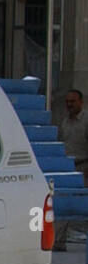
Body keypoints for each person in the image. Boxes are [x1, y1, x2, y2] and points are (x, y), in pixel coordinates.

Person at [54, 88, 86, 250]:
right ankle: (59, 242)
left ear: (81, 102)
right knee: (63, 205)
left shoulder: (86, 121)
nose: (69, 105)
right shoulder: (65, 121)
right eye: (67, 102)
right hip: (69, 168)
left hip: (84, 168)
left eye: (73, 101)